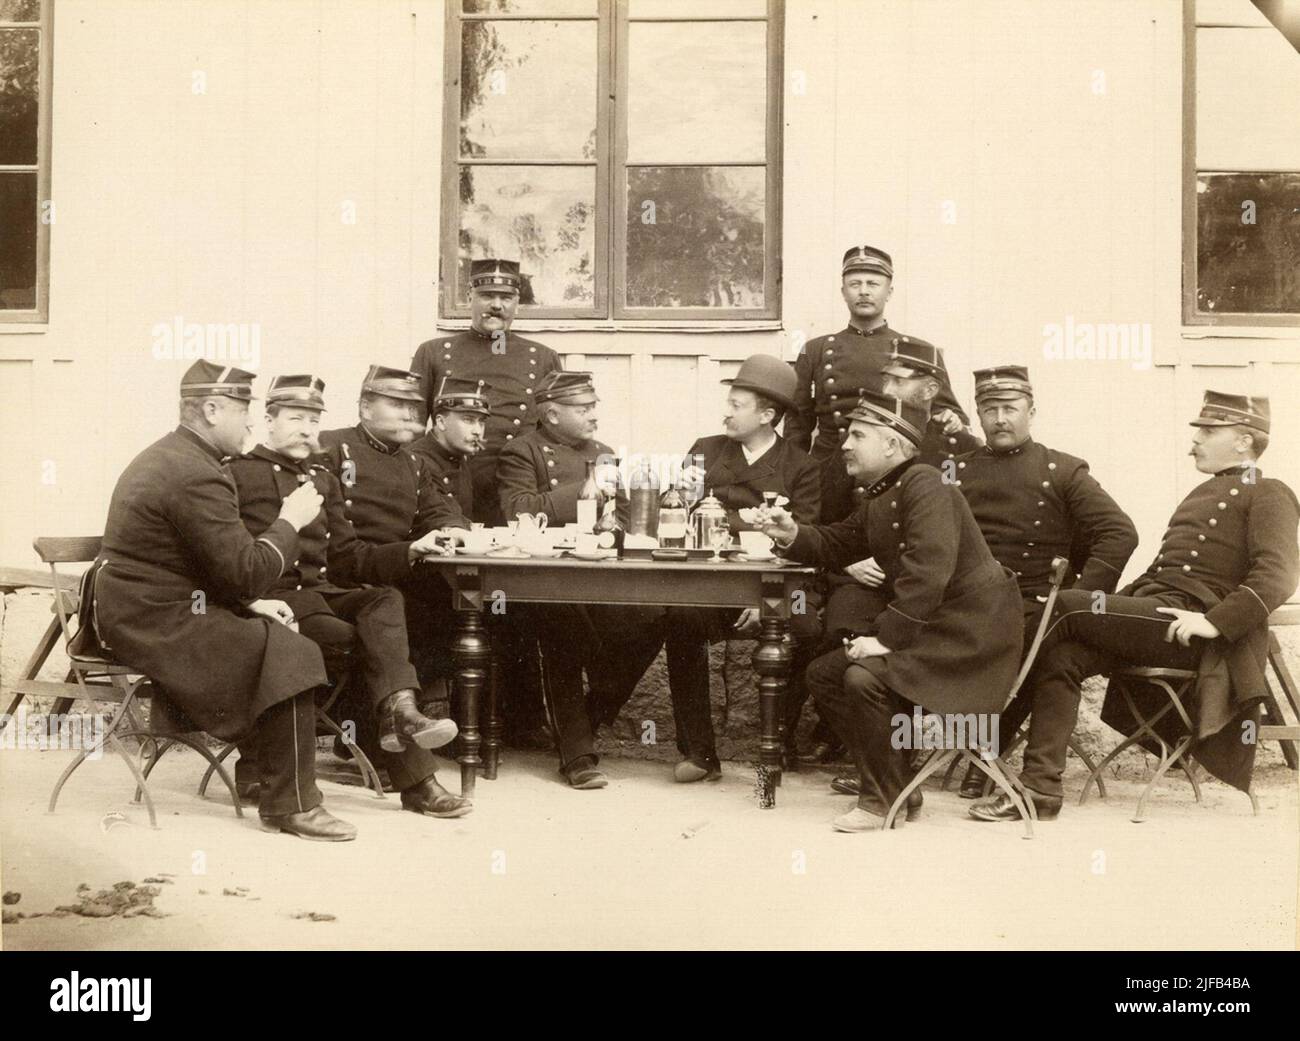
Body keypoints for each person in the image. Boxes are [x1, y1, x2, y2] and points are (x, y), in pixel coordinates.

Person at [970, 392, 1299, 822]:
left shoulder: (1270, 492)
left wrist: (1215, 624)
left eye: (1207, 431)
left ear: (1244, 441)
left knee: (1067, 605)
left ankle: (986, 733)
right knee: (1064, 655)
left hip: (1189, 626)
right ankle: (1039, 791)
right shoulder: (1203, 491)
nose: (1194, 441)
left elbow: (1278, 574)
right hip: (1158, 610)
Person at [89, 361, 354, 841]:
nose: (251, 422)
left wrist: (250, 604)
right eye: (243, 409)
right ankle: (291, 804)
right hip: (148, 616)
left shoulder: (181, 458)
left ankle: (268, 780)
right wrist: (290, 521)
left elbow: (209, 565)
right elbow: (247, 570)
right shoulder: (194, 472)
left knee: (278, 638)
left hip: (152, 603)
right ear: (211, 410)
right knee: (294, 649)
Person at [758, 390, 1024, 832]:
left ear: (891, 444)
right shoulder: (886, 492)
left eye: (858, 435)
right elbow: (837, 542)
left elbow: (929, 573)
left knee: (862, 677)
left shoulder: (925, 484)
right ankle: (898, 783)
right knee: (825, 673)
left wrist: (883, 640)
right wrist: (790, 532)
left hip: (973, 639)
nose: (844, 444)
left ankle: (881, 800)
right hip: (941, 630)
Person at [229, 374, 470, 819]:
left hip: (320, 594)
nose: (306, 428)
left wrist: (410, 549)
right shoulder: (238, 473)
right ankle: (418, 781)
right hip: (272, 601)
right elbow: (231, 558)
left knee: (383, 600)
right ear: (268, 420)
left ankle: (401, 712)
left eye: (314, 418)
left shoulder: (322, 477)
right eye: (295, 418)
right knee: (367, 644)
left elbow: (348, 558)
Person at [938, 365, 1138, 799]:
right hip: (966, 602)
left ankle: (988, 753)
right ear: (977, 413)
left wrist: (1077, 598)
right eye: (989, 409)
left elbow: (1119, 533)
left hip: (1035, 602)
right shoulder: (955, 469)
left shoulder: (1062, 469)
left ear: (1032, 411)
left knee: (1047, 644)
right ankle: (964, 755)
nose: (1000, 419)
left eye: (1010, 408)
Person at [409, 258, 560, 746]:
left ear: (518, 303)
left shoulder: (542, 356)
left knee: (512, 605)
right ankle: (450, 718)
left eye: (508, 297)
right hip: (444, 487)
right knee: (450, 600)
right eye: (486, 296)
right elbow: (416, 423)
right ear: (469, 299)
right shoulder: (436, 352)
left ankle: (519, 720)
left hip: (508, 495)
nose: (496, 305)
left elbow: (547, 435)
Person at [496, 371, 666, 789]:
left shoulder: (604, 452)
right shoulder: (521, 452)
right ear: (552, 414)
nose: (594, 415)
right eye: (583, 408)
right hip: (540, 580)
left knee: (652, 618)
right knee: (563, 628)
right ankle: (578, 757)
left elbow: (626, 517)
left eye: (594, 406)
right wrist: (587, 490)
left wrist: (620, 529)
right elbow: (518, 509)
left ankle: (584, 721)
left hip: (602, 574)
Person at [664, 353, 822, 781]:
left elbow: (802, 540)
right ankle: (699, 753)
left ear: (767, 415)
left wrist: (765, 592)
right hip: (712, 584)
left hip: (774, 583)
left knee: (809, 630)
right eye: (728, 403)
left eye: (737, 405)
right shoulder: (706, 450)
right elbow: (675, 514)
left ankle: (780, 737)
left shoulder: (802, 467)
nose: (726, 413)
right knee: (679, 620)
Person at [315, 365, 475, 697]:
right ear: (365, 408)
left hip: (391, 571)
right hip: (339, 578)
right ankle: (378, 724)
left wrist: (453, 527)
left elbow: (438, 507)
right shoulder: (331, 447)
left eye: (413, 407)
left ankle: (374, 727)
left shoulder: (413, 463)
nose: (408, 415)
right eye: (396, 405)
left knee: (471, 611)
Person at [785, 245, 969, 525]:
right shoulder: (816, 349)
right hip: (828, 475)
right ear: (843, 291)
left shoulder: (917, 352)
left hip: (892, 473)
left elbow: (951, 416)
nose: (864, 291)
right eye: (854, 284)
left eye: (873, 284)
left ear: (889, 291)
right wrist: (797, 482)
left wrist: (952, 419)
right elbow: (797, 426)